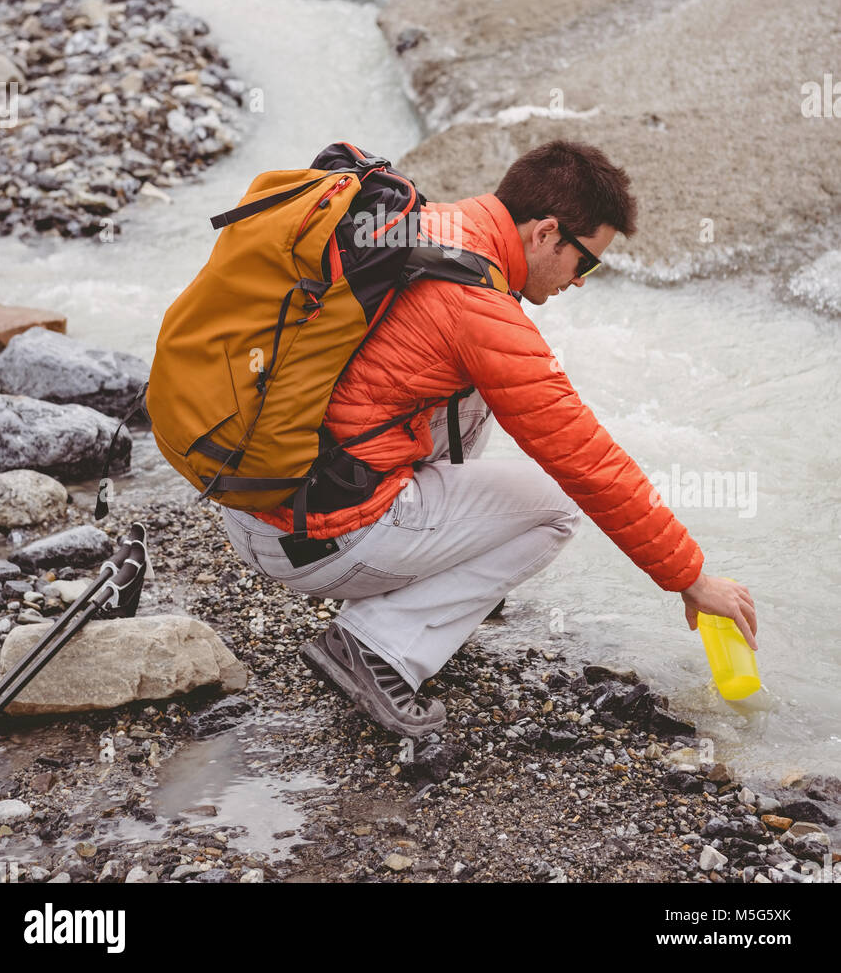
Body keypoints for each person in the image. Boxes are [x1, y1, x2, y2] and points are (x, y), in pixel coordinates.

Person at [220, 140, 758, 737]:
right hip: (314, 543)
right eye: (587, 262)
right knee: (555, 507)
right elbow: (588, 462)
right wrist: (691, 578)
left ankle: (440, 581)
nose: (580, 282)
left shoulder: (427, 228)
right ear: (546, 233)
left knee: (478, 391)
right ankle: (377, 645)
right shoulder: (481, 309)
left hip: (251, 495)